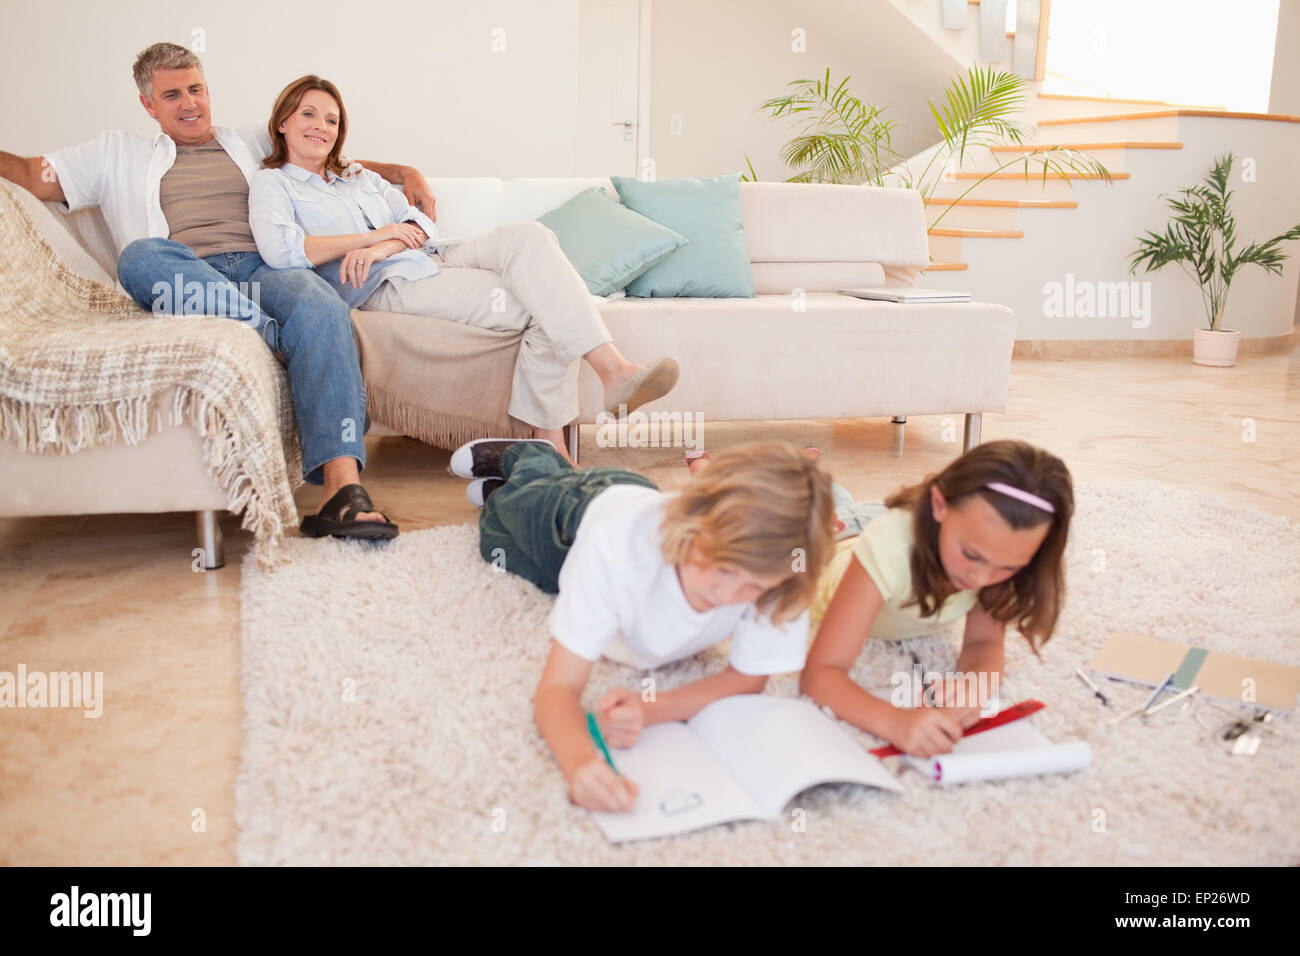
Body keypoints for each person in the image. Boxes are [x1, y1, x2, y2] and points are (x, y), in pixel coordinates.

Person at [0, 43, 436, 540]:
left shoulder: (250, 141)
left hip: (263, 270)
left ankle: (341, 491)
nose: (189, 104)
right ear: (148, 104)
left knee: (319, 305)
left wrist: (405, 174)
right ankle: (271, 333)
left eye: (196, 89)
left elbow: (326, 155)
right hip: (188, 278)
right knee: (140, 257)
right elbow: (34, 175)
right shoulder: (116, 153)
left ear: (207, 89)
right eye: (171, 95)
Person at [248, 75, 680, 466]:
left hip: (431, 256)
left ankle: (614, 371)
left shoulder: (357, 176)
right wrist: (369, 242)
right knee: (541, 302)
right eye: (309, 114)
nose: (322, 127)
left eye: (332, 120)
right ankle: (551, 445)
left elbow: (421, 223)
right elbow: (282, 251)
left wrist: (384, 244)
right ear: (283, 121)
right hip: (388, 284)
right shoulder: (272, 183)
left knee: (527, 236)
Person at [448, 437, 835, 812]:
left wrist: (653, 708)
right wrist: (579, 763)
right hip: (575, 511)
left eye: (754, 587)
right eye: (724, 569)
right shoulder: (617, 549)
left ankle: (511, 484)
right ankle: (532, 454)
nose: (727, 594)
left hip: (623, 516)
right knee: (496, 534)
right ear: (697, 523)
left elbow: (748, 678)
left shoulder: (781, 569)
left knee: (541, 575)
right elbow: (558, 687)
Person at [800, 440, 1074, 757]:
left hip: (895, 518)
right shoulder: (888, 548)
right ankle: (810, 472)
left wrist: (975, 687)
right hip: (837, 542)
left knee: (847, 505)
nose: (981, 579)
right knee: (808, 505)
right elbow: (820, 674)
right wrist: (893, 721)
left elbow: (983, 643)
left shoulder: (996, 546)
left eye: (1009, 568)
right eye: (971, 555)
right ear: (940, 505)